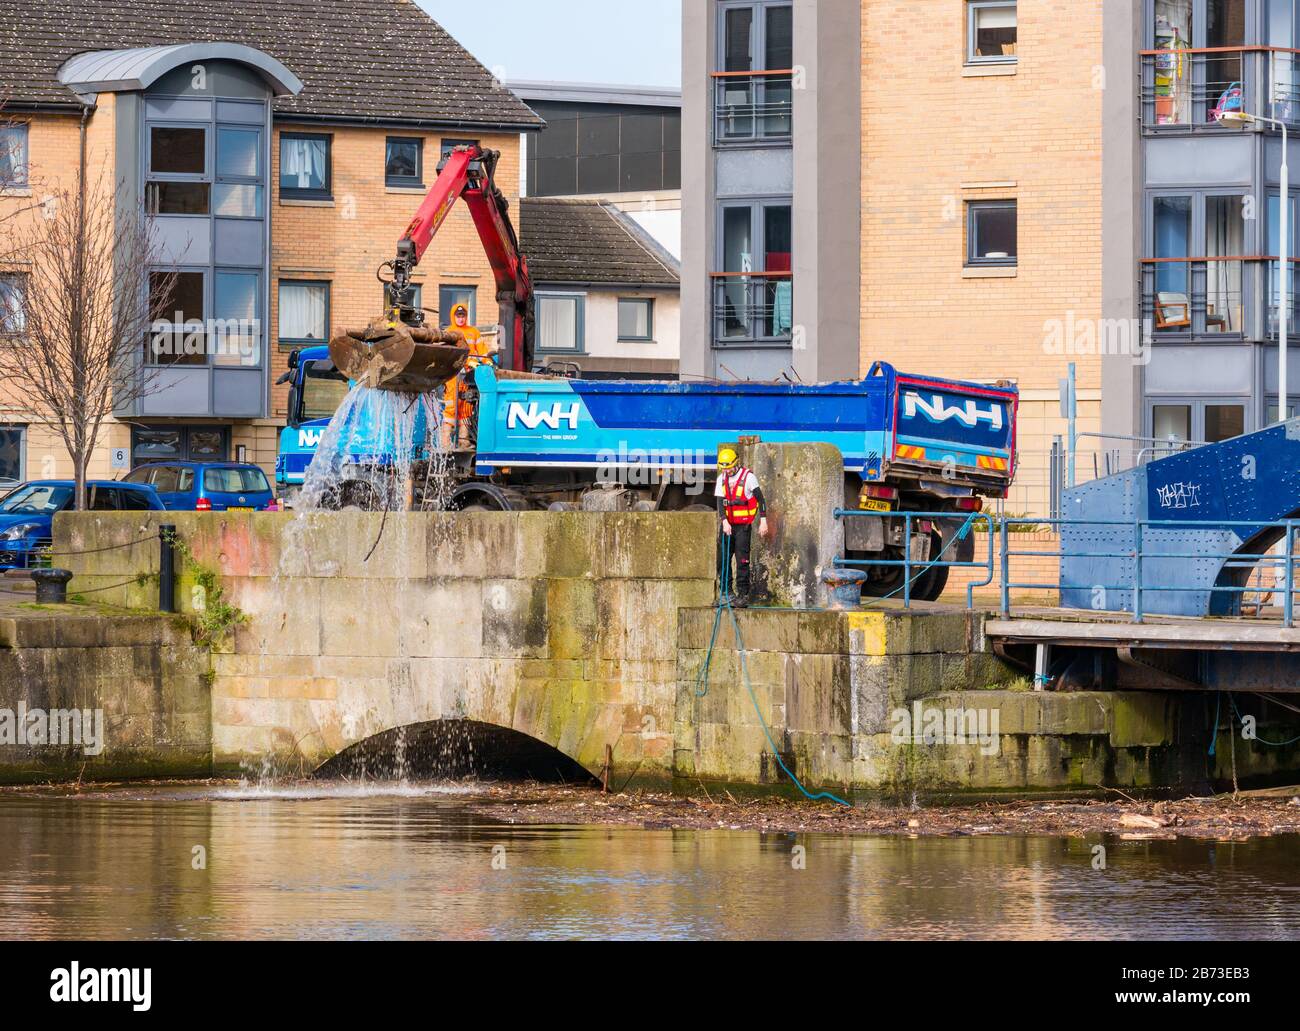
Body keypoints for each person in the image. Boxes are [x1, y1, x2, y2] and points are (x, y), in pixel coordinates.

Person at [714, 447, 769, 608]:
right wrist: (724, 521)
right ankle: (726, 593)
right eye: (724, 468)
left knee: (742, 561)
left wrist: (763, 521)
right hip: (727, 526)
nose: (727, 471)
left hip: (743, 527)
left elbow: (761, 499)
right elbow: (720, 502)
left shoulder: (749, 477)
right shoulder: (721, 479)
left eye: (729, 467)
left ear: (735, 464)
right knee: (723, 560)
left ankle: (743, 594)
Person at [441, 304, 498, 448]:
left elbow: (482, 352)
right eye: (458, 316)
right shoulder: (449, 332)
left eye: (463, 316)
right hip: (453, 376)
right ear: (453, 317)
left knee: (466, 407)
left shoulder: (474, 332)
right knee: (451, 408)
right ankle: (445, 443)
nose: (460, 319)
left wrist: (488, 363)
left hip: (468, 375)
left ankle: (463, 441)